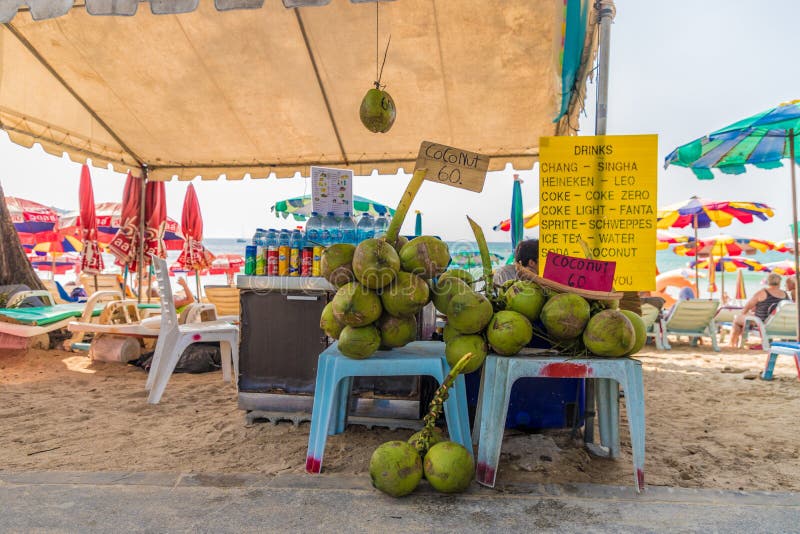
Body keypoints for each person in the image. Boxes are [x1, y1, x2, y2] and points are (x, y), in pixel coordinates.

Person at [729, 273, 790, 348]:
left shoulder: (762, 292)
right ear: (780, 282)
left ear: (768, 282)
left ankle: (733, 344)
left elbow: (747, 307)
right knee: (746, 319)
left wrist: (743, 314)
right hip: (779, 324)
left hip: (761, 322)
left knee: (737, 320)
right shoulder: (785, 294)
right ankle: (738, 341)